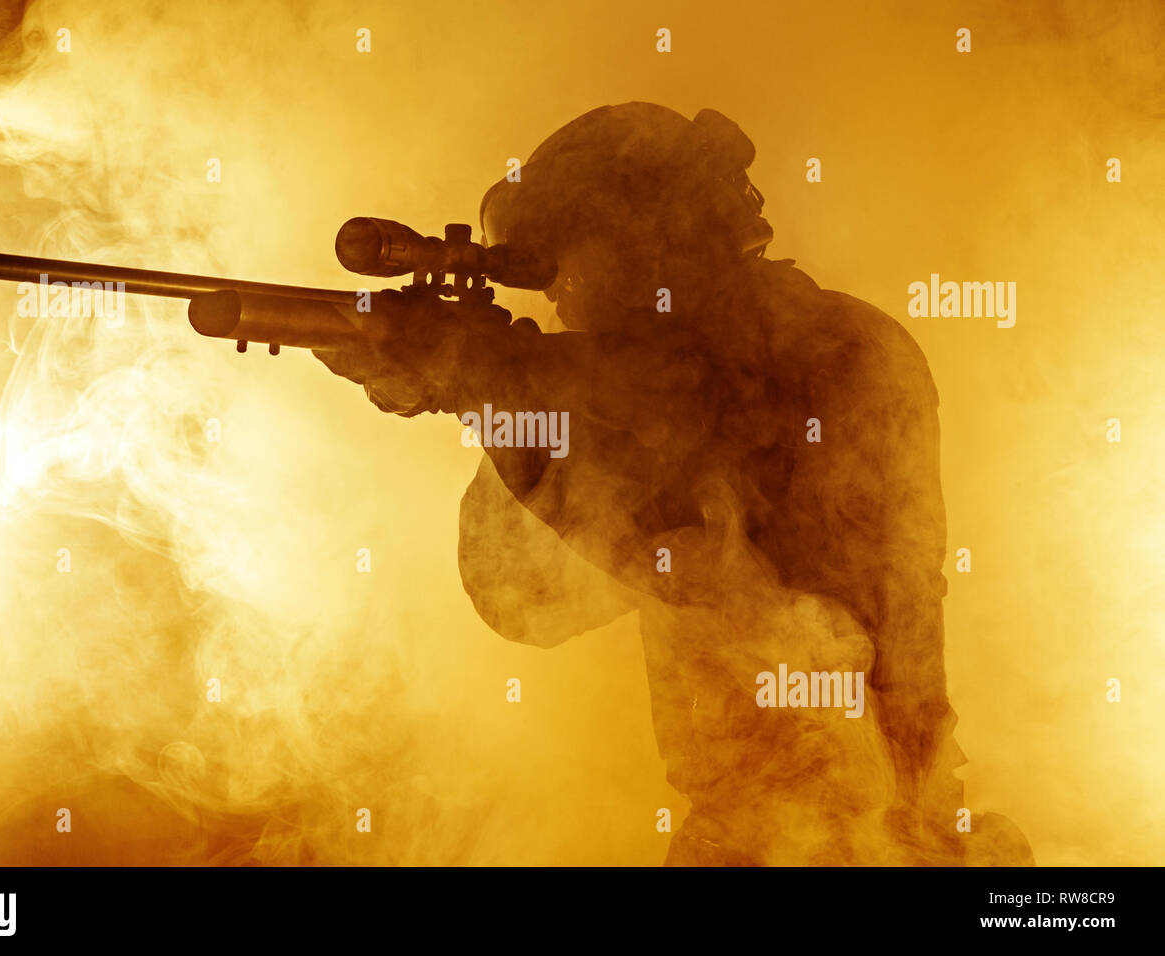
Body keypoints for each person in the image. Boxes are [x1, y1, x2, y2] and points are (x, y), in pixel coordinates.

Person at [314, 102, 1033, 865]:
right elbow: (522, 600)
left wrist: (488, 380)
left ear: (650, 241)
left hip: (853, 826)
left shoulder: (825, 350)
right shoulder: (656, 386)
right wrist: (489, 385)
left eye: (572, 261)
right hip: (766, 828)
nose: (557, 294)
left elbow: (688, 540)